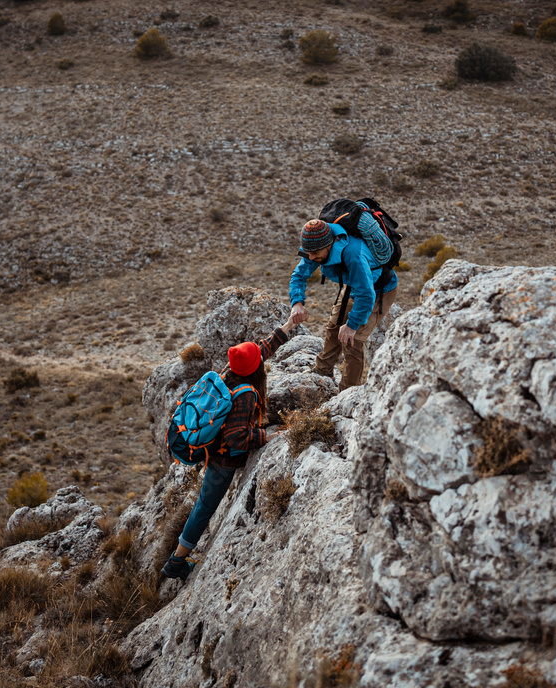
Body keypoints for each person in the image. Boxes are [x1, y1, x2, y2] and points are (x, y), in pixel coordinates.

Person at [161, 311, 300, 580]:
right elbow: (236, 438)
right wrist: (268, 437)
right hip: (223, 460)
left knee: (203, 505)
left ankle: (177, 558)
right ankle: (176, 562)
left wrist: (289, 325)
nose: (262, 358)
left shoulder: (232, 369)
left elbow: (261, 350)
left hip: (216, 448)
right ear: (256, 370)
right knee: (204, 509)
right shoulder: (246, 394)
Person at [289, 218, 398, 391]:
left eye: (315, 254)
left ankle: (347, 393)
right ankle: (323, 371)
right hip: (354, 286)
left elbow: (366, 294)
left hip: (379, 291)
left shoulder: (353, 255)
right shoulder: (313, 247)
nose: (310, 258)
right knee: (334, 326)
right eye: (307, 252)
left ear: (329, 245)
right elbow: (299, 274)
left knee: (352, 340)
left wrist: (352, 325)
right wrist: (297, 302)